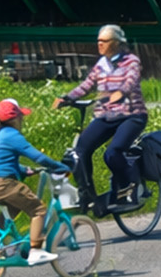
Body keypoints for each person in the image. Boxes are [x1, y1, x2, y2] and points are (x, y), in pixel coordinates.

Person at [58, 24, 148, 211]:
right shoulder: (101, 64)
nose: (99, 44)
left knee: (113, 153)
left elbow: (131, 81)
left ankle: (130, 188)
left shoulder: (131, 61)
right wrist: (68, 98)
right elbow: (87, 84)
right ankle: (87, 195)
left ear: (116, 43)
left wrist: (121, 92)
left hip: (131, 115)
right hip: (106, 116)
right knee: (80, 150)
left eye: (104, 41)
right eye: (98, 40)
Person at [0, 99, 67, 265]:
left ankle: (2, 242)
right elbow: (38, 157)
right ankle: (36, 250)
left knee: (14, 207)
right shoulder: (12, 135)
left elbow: (3, 162)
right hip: (1, 183)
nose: (22, 121)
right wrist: (60, 166)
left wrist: (24, 171)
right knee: (39, 209)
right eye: (21, 117)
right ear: (14, 119)